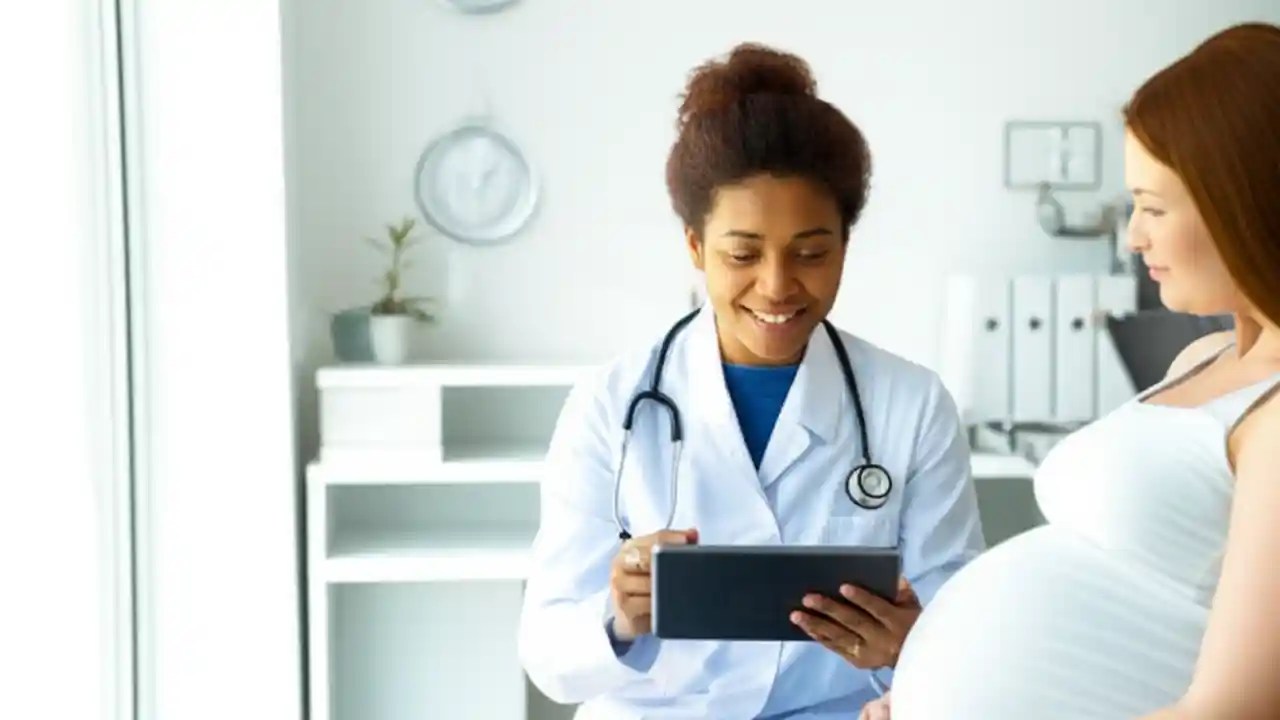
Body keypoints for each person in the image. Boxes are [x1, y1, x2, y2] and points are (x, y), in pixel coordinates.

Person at [517, 43, 986, 718]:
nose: (776, 285)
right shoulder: (611, 404)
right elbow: (548, 652)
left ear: (846, 246)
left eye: (811, 253)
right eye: (742, 254)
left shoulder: (910, 405)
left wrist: (909, 645)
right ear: (694, 247)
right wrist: (617, 616)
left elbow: (965, 629)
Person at [863, 22, 1280, 720]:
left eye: (1151, 208)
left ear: (1243, 202)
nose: (1132, 237)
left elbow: (1231, 709)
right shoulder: (1200, 360)